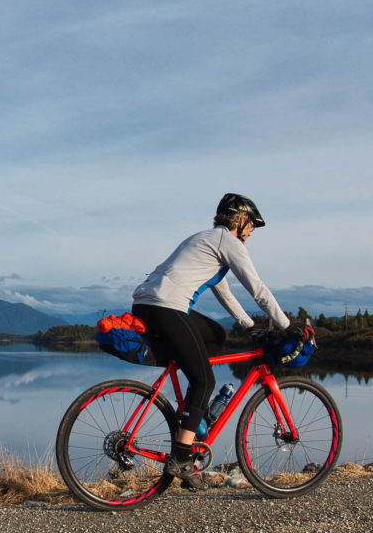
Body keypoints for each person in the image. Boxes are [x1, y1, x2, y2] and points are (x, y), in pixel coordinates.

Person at [131, 193, 308, 490]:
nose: (251, 233)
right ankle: (182, 457)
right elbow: (258, 289)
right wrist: (287, 325)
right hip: (165, 307)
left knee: (216, 335)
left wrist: (249, 324)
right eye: (251, 226)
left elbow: (223, 292)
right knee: (205, 381)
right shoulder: (228, 242)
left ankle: (193, 415)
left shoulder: (209, 241)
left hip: (149, 305)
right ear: (240, 221)